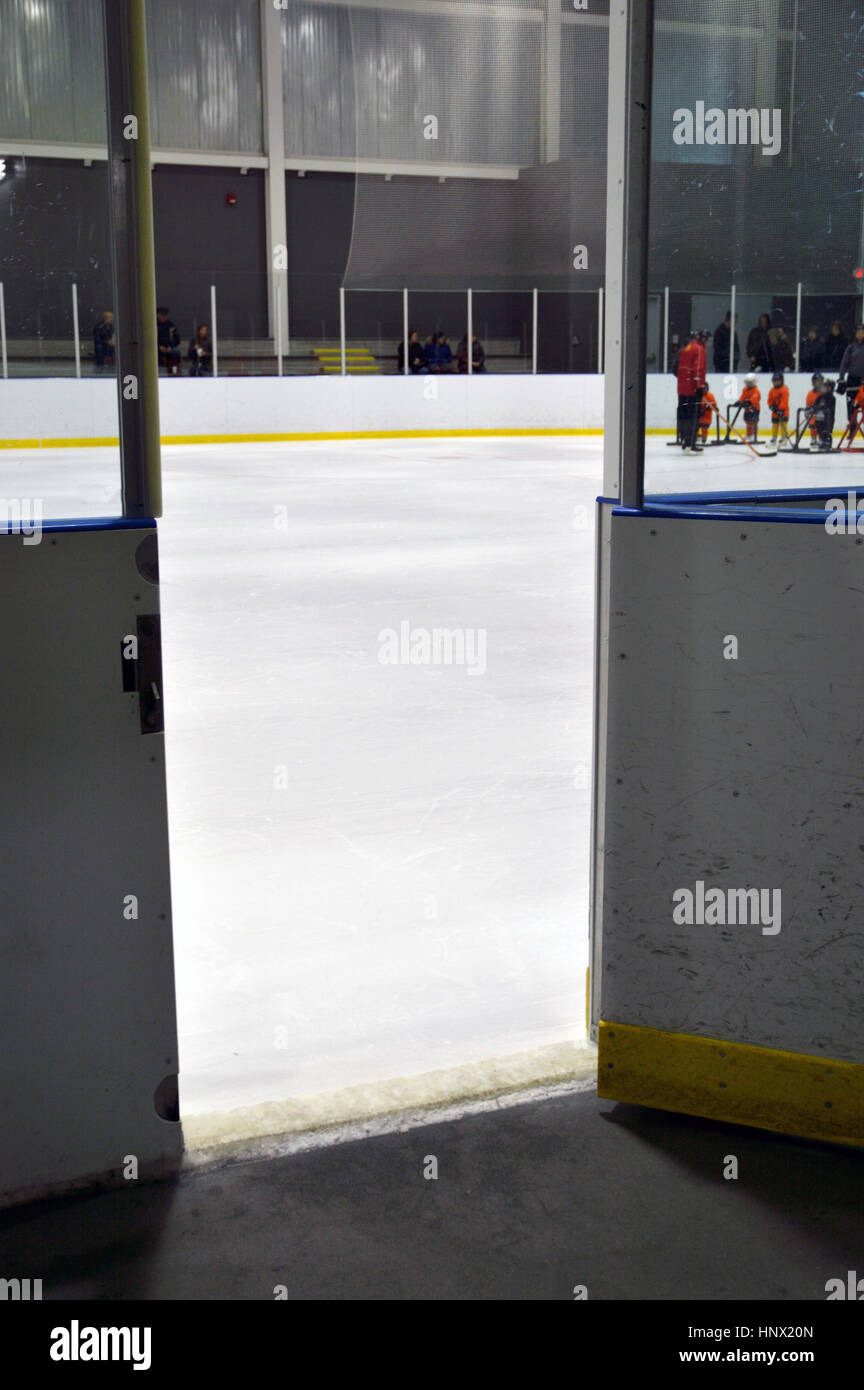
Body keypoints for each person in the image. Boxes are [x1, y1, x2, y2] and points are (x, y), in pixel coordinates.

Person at [676, 328, 706, 453]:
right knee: (693, 416)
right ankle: (690, 444)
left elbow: (677, 368)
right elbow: (698, 368)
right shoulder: (699, 349)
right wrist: (699, 386)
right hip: (692, 389)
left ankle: (684, 442)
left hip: (682, 389)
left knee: (684, 416)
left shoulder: (685, 349)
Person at [838, 323, 864, 421]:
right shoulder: (851, 347)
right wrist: (841, 378)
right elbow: (844, 363)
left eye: (862, 332)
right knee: (851, 407)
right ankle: (852, 428)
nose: (860, 334)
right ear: (855, 333)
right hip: (852, 380)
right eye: (858, 332)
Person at [810, 378, 836, 452]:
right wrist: (812, 408)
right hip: (819, 418)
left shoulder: (831, 398)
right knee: (819, 430)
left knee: (826, 431)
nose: (821, 389)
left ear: (829, 389)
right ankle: (821, 441)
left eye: (824, 387)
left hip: (828, 419)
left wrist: (821, 407)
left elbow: (830, 408)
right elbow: (815, 404)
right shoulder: (820, 397)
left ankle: (827, 442)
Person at [767, 372, 791, 449]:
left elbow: (784, 401)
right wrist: (771, 406)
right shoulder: (772, 390)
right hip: (775, 411)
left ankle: (784, 437)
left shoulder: (784, 390)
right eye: (774, 381)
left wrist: (780, 409)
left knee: (783, 424)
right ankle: (774, 437)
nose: (776, 382)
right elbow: (769, 400)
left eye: (778, 380)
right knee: (774, 424)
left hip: (784, 411)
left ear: (781, 381)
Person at [738, 372, 761, 443]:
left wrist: (749, 401)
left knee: (753, 422)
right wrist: (740, 401)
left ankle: (754, 435)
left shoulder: (756, 390)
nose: (748, 384)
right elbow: (743, 396)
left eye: (750, 382)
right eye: (747, 382)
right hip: (747, 409)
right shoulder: (745, 389)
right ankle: (749, 435)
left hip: (754, 408)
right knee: (747, 421)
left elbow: (755, 398)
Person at [156, 306, 181, 374]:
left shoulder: (170, 325)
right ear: (157, 315)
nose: (164, 317)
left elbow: (177, 339)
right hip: (157, 349)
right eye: (162, 315)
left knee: (176, 352)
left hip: (169, 348)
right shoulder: (153, 325)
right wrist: (159, 346)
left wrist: (171, 347)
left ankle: (175, 371)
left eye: (165, 315)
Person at [804, 373, 824, 451]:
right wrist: (808, 411)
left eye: (819, 381)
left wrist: (818, 409)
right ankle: (813, 438)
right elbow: (808, 405)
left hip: (822, 414)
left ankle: (821, 438)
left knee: (819, 423)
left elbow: (825, 404)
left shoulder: (823, 393)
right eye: (816, 381)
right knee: (812, 423)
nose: (818, 383)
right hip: (813, 414)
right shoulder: (810, 393)